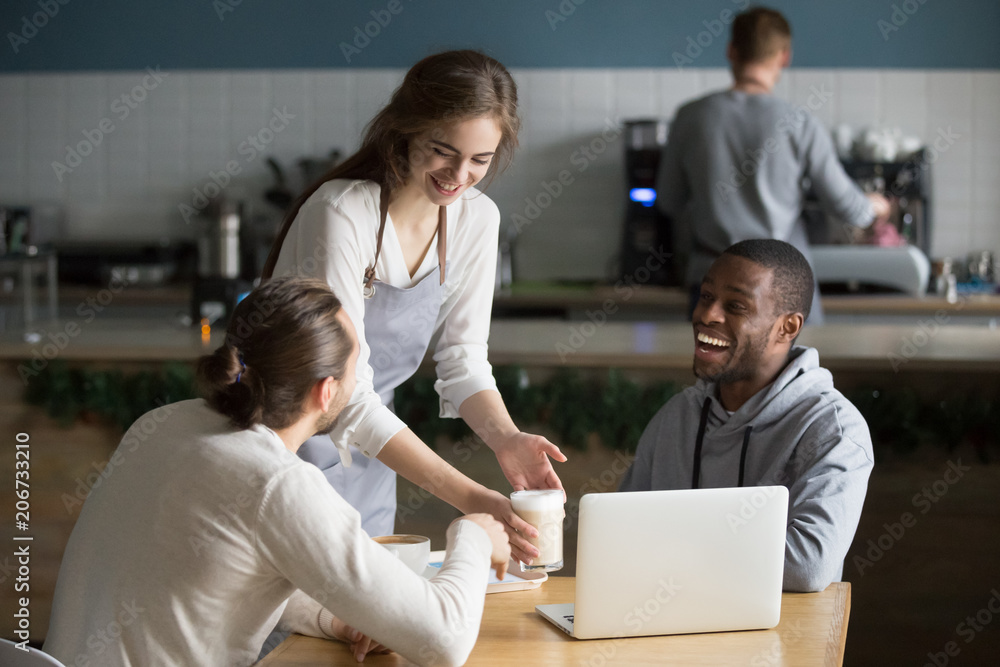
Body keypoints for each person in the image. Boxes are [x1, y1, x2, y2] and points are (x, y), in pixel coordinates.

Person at [44, 278, 511, 667]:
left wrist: (335, 620)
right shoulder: (276, 483)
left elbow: (220, 571)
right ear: (327, 393)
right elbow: (444, 640)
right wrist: (472, 535)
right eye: (356, 369)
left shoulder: (162, 423)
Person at [261, 49, 564, 564]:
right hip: (282, 448)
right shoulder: (343, 213)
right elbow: (345, 390)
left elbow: (463, 360)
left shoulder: (476, 221)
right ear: (405, 130)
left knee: (361, 624)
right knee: (285, 625)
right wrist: (471, 497)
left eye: (480, 161)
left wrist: (508, 439)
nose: (459, 175)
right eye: (443, 150)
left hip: (374, 454)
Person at [618, 240, 874, 592]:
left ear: (787, 327)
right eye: (706, 296)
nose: (707, 315)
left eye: (736, 306)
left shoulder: (833, 430)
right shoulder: (677, 416)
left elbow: (806, 567)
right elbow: (620, 537)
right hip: (669, 634)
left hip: (780, 643)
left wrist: (669, 544)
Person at [656, 6, 891, 322]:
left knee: (714, 371)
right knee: (794, 372)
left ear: (731, 51)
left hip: (712, 283)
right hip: (780, 290)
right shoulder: (800, 123)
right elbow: (850, 209)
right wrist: (877, 206)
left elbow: (668, 201)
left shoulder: (690, 117)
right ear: (784, 57)